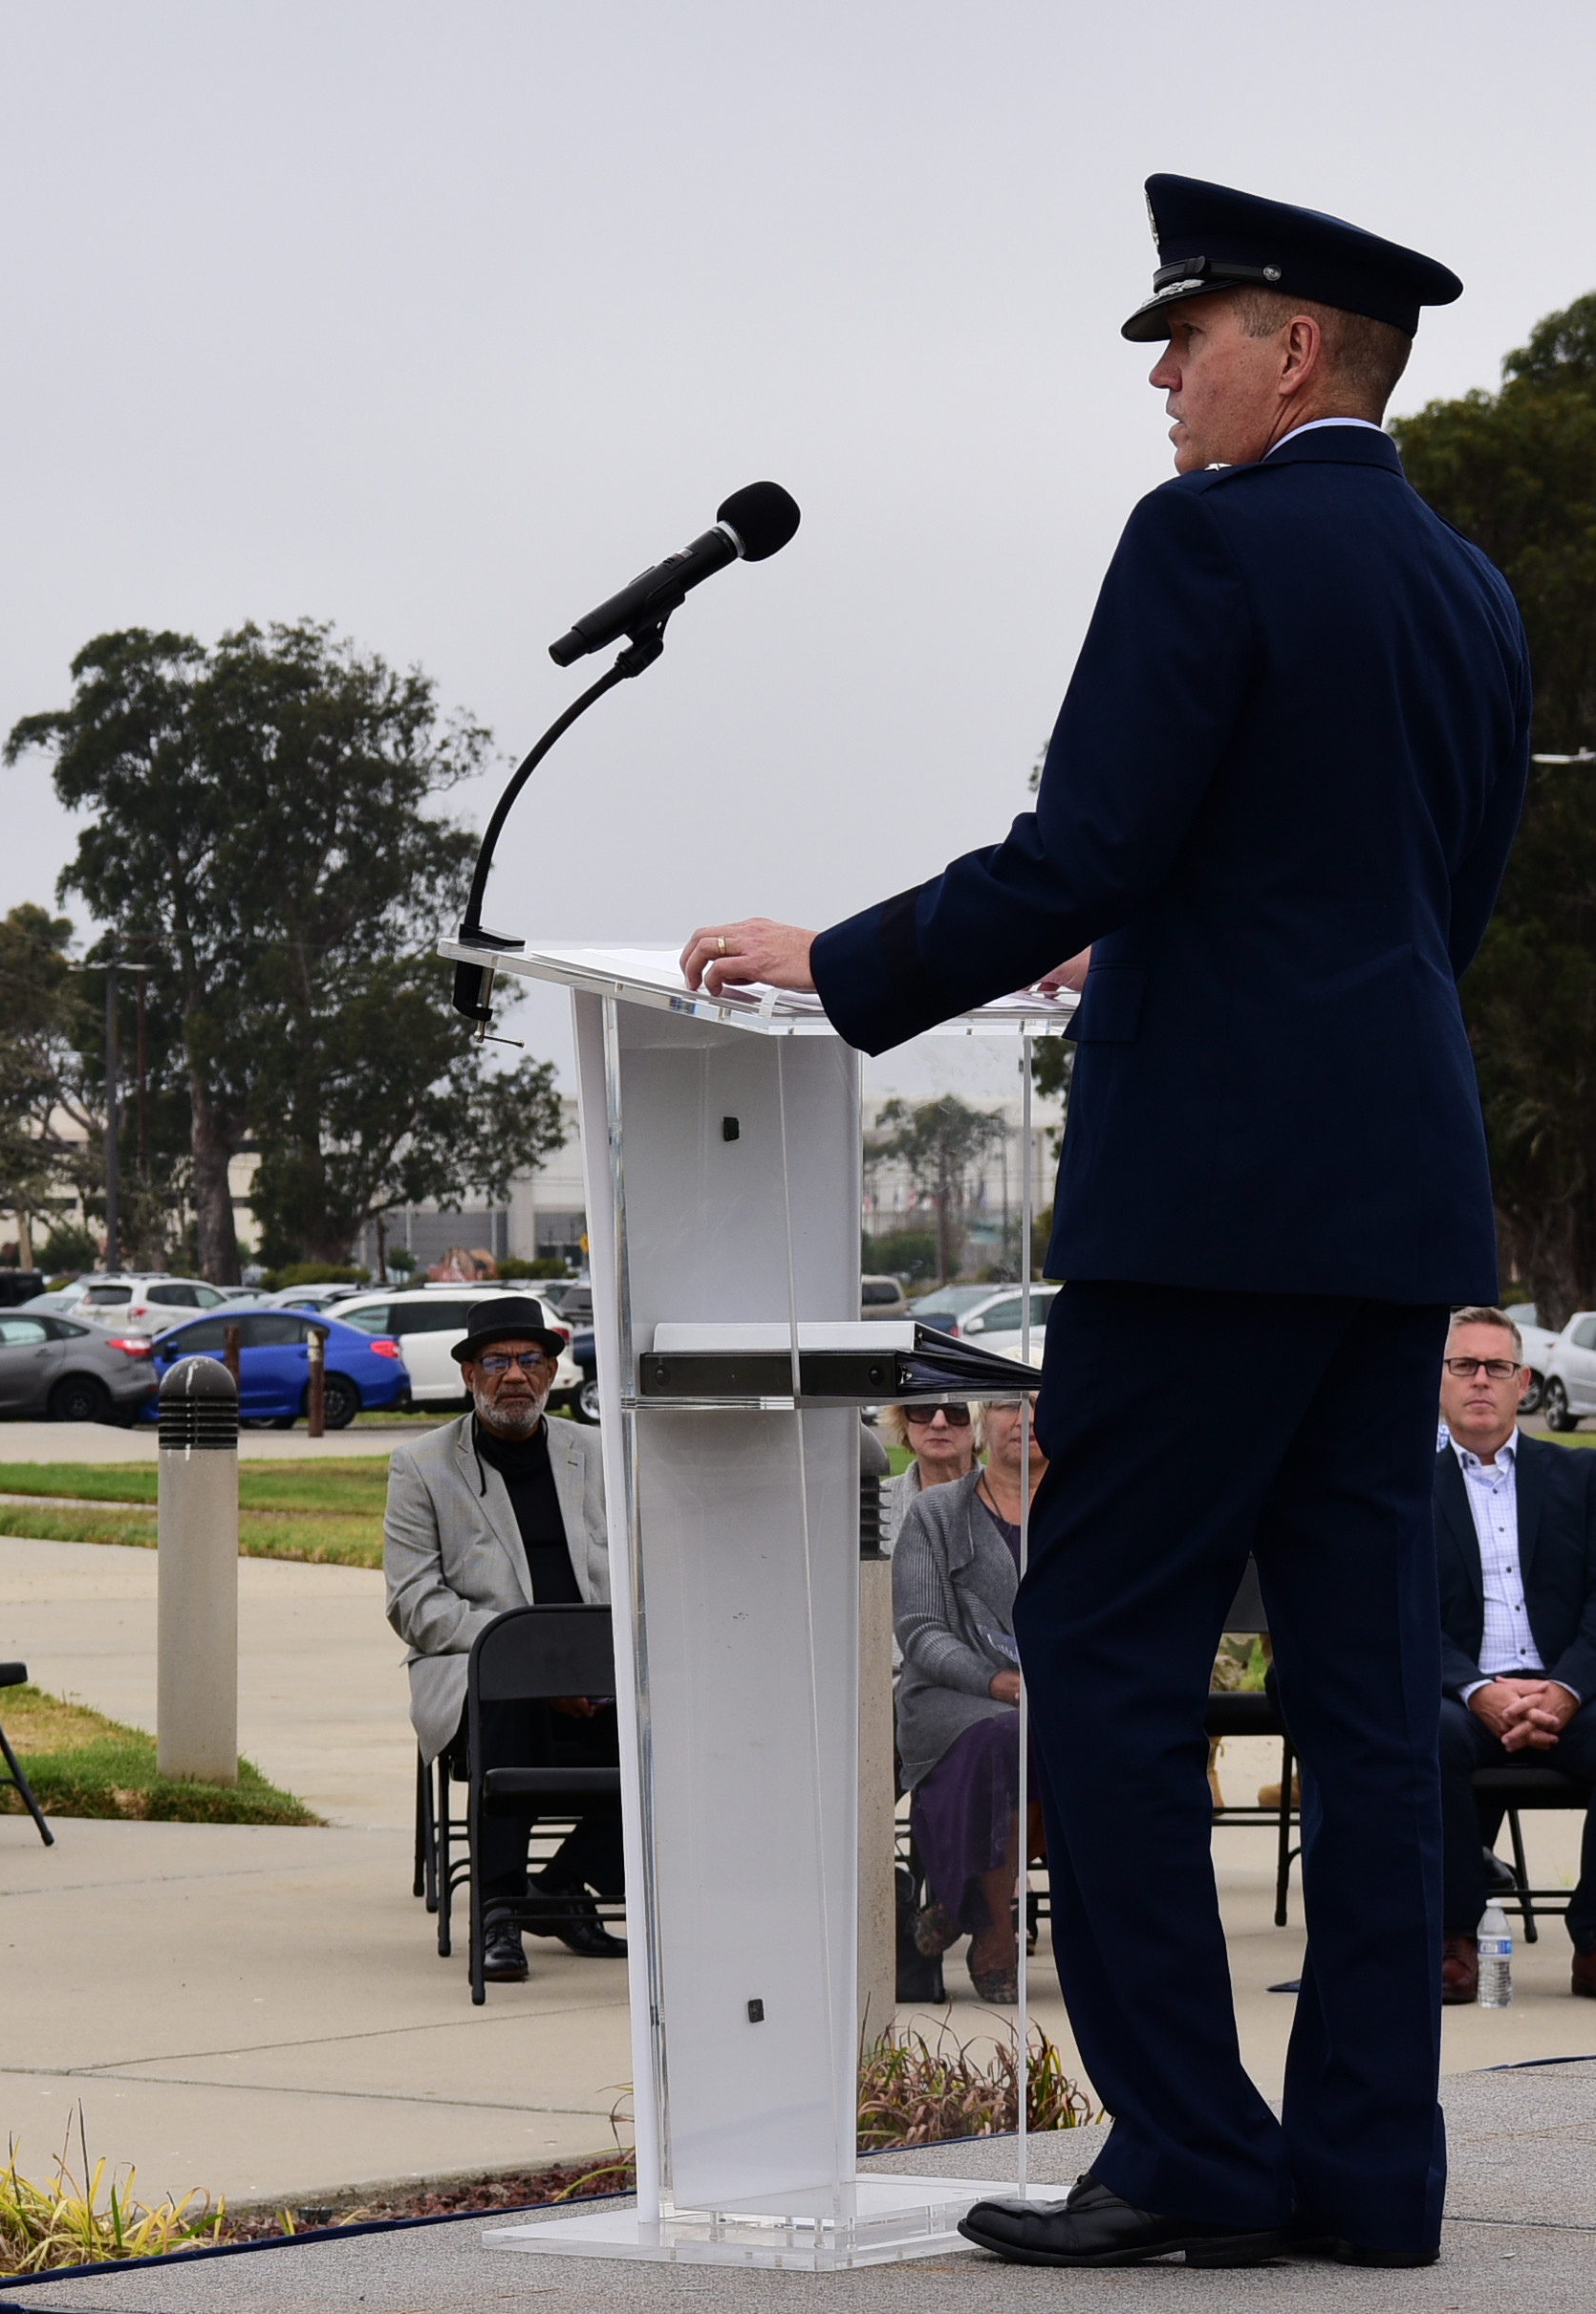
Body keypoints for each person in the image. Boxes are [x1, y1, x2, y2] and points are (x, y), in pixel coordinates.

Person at [681, 178, 1522, 2269]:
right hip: (1390, 1193)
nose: (1161, 377)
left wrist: (839, 955)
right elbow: (1446, 900)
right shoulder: (1466, 585)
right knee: (1361, 1679)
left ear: (1293, 350)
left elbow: (1092, 840)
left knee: (1106, 1645)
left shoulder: (1203, 538)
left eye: (1190, 334)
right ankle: (1367, 2171)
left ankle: (1185, 2154)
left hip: (1207, 1203)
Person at [377, 1295, 619, 1983]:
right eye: (495, 1361)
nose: (513, 1376)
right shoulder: (421, 1466)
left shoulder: (597, 1453)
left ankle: (559, 1886)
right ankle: (497, 1910)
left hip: (598, 1671)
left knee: (686, 1729)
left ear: (551, 1372)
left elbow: (642, 1576)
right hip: (479, 1671)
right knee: (505, 1694)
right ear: (467, 1374)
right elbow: (414, 1603)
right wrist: (536, 1661)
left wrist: (594, 1667)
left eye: (530, 1360)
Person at [1433, 1306, 1596, 2002]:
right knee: (1422, 1736)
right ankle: (1453, 1939)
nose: (1479, 1380)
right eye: (1462, 1365)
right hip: (1459, 1699)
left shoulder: (1578, 1477)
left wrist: (1565, 1688)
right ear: (1434, 1379)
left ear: (1522, 1381)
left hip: (1563, 1689)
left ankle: (1592, 1940)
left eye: (1495, 1367)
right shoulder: (1402, 1489)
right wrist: (1478, 1691)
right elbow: (1397, 1617)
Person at [895, 1398, 1041, 2004]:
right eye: (1009, 1405)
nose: (1025, 1418)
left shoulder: (1092, 1508)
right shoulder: (935, 1512)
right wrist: (1001, 1683)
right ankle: (997, 1934)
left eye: (1042, 1404)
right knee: (1005, 1735)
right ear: (986, 1425)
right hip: (952, 1696)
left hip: (1060, 1691)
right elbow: (922, 1629)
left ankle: (955, 1906)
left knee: (1071, 1738)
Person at [878, 1402, 981, 1555]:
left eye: (957, 1411)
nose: (938, 1423)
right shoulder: (874, 1504)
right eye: (923, 1410)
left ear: (980, 1422)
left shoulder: (1016, 1501)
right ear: (904, 1419)